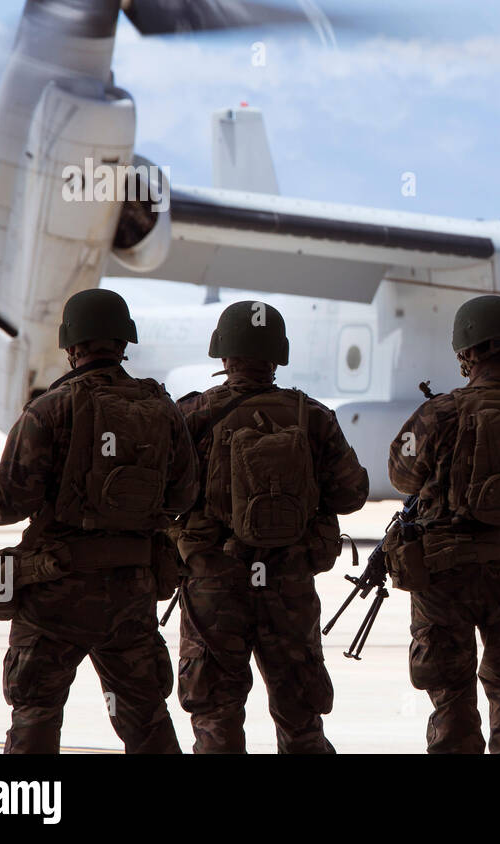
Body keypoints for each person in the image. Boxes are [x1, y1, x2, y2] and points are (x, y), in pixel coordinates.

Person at [0, 288, 198, 753]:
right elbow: (182, 495)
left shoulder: (48, 410)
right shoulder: (162, 411)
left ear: (70, 345)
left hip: (52, 597)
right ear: (125, 343)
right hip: (130, 592)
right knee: (145, 718)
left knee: (36, 715)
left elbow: (7, 502)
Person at [171, 299, 369, 753]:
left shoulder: (192, 416)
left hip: (213, 586)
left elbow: (164, 497)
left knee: (216, 718)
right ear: (278, 353)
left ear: (222, 352)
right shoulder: (312, 416)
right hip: (289, 585)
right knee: (301, 720)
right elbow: (352, 494)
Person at [387, 294, 500, 753]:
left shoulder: (441, 413)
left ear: (467, 351)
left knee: (450, 690)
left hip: (443, 576)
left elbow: (400, 475)